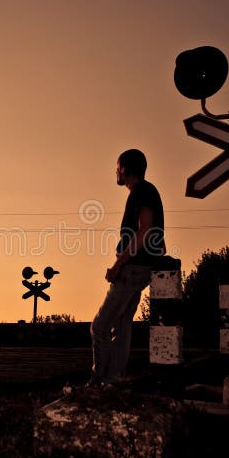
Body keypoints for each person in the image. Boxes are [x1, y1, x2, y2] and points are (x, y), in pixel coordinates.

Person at [90, 149, 166, 386]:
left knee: (100, 325)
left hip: (133, 268)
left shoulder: (142, 191)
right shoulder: (144, 191)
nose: (116, 171)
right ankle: (115, 378)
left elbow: (144, 229)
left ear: (124, 169)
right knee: (122, 326)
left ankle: (101, 379)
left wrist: (118, 264)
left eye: (117, 167)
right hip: (141, 268)